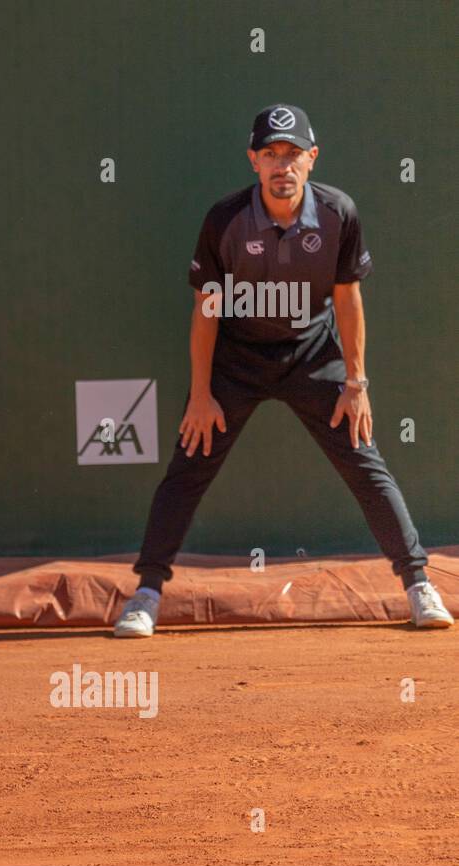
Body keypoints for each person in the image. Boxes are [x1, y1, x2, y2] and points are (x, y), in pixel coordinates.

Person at [115, 104, 453, 638]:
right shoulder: (224, 220)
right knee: (188, 468)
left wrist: (356, 383)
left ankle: (418, 586)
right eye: (270, 154)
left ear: (311, 159)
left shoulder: (339, 214)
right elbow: (207, 311)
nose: (282, 165)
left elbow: (348, 301)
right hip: (236, 360)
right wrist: (201, 393)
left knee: (366, 463)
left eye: (292, 154)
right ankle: (147, 594)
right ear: (253, 160)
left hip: (314, 355)